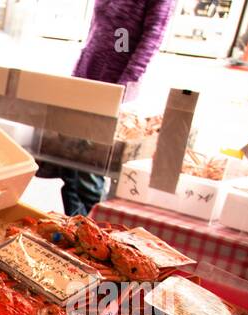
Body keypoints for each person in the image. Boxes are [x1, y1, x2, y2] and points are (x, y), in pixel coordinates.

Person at [39, 0, 177, 216]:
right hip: (87, 76)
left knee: (89, 165)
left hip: (113, 85)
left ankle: (90, 229)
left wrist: (126, 85)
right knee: (68, 159)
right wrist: (79, 72)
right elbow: (99, 28)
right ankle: (72, 224)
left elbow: (151, 39)